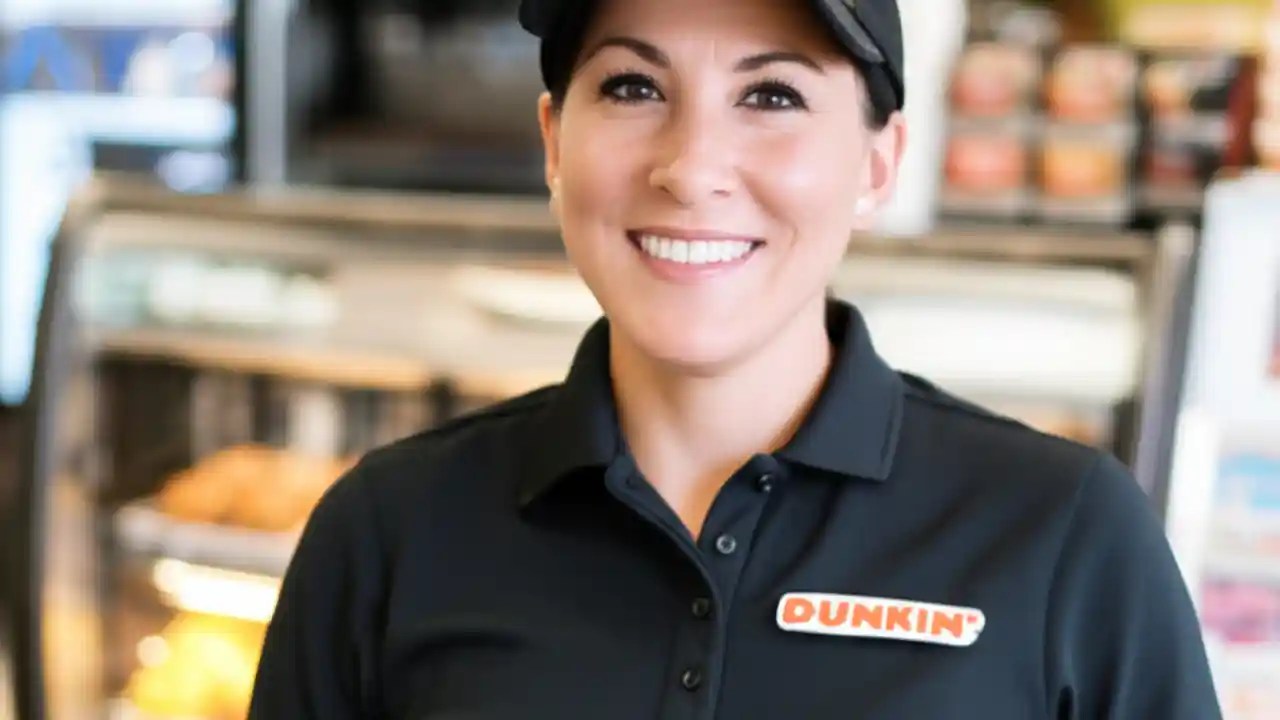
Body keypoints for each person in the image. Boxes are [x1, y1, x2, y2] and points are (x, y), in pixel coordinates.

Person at [248, 0, 1222, 717]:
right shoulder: (386, 530)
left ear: (875, 166)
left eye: (770, 93)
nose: (691, 166)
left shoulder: (1061, 533)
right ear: (553, 144)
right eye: (632, 86)